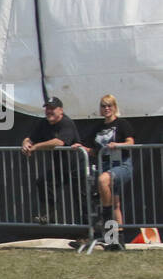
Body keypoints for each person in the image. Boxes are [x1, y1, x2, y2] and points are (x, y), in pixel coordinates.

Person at [76, 93, 135, 240]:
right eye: (103, 106)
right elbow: (94, 150)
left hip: (121, 164)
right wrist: (81, 147)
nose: (106, 108)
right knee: (115, 203)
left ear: (114, 107)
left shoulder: (122, 124)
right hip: (104, 164)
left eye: (109, 105)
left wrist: (118, 145)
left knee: (103, 180)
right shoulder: (98, 127)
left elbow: (131, 142)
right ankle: (116, 238)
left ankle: (106, 216)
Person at [20, 97, 80, 225]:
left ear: (60, 110)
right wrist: (26, 144)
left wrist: (36, 147)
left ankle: (87, 233)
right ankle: (49, 214)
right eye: (47, 108)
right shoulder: (44, 123)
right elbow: (30, 138)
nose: (49, 111)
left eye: (52, 108)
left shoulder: (66, 123)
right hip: (60, 167)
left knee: (81, 197)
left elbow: (59, 142)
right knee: (43, 182)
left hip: (77, 166)